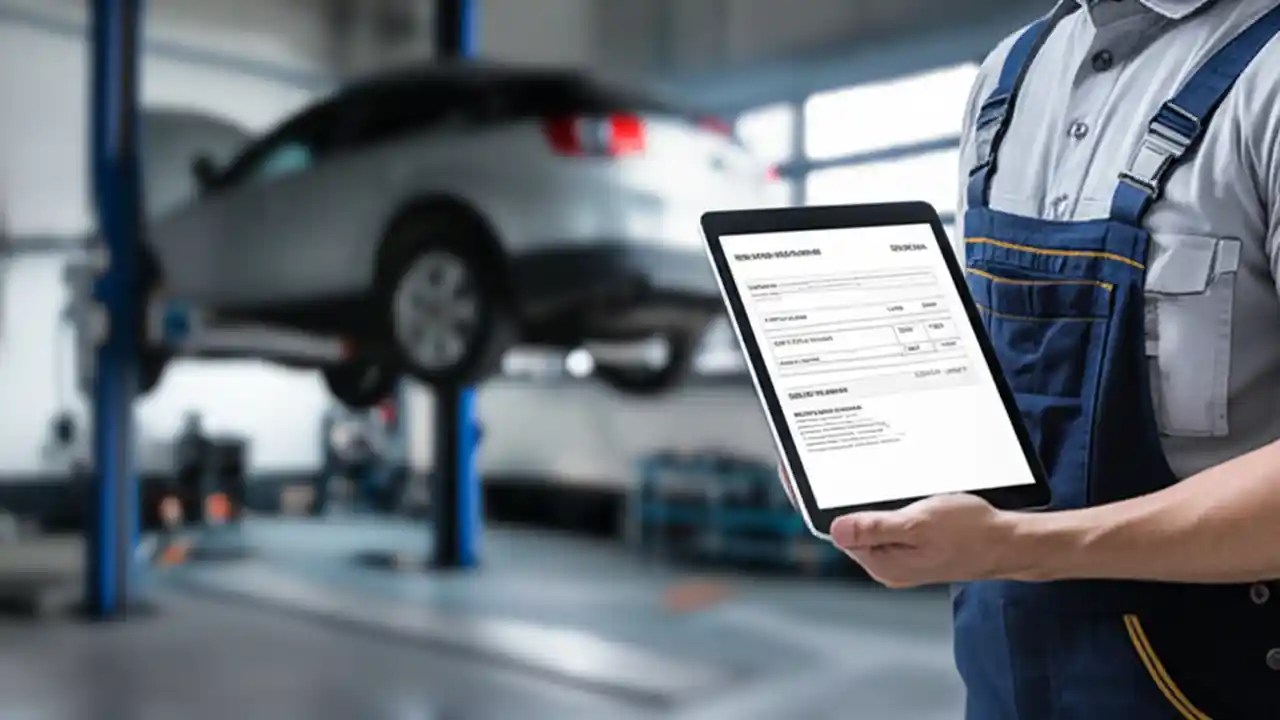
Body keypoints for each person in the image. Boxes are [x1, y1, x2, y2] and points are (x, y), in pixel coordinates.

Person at [795, 1, 1280, 717]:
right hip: (1002, 669)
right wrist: (851, 436)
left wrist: (1019, 546)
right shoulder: (1009, 73)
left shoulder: (1267, 75)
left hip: (1217, 682)